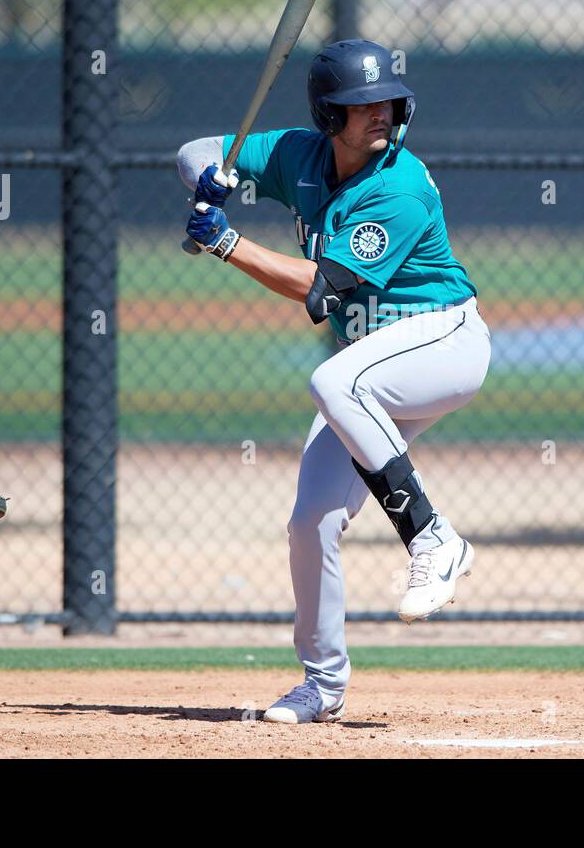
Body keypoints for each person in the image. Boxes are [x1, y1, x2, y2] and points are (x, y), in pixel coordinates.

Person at [176, 39, 492, 724]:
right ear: (329, 115)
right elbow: (196, 150)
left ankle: (434, 537)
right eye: (360, 104)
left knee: (332, 380)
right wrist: (214, 178)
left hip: (444, 341)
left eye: (385, 100)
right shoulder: (300, 155)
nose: (378, 113)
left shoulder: (398, 186)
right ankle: (322, 684)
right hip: (373, 373)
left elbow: (317, 291)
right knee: (310, 522)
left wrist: (225, 242)